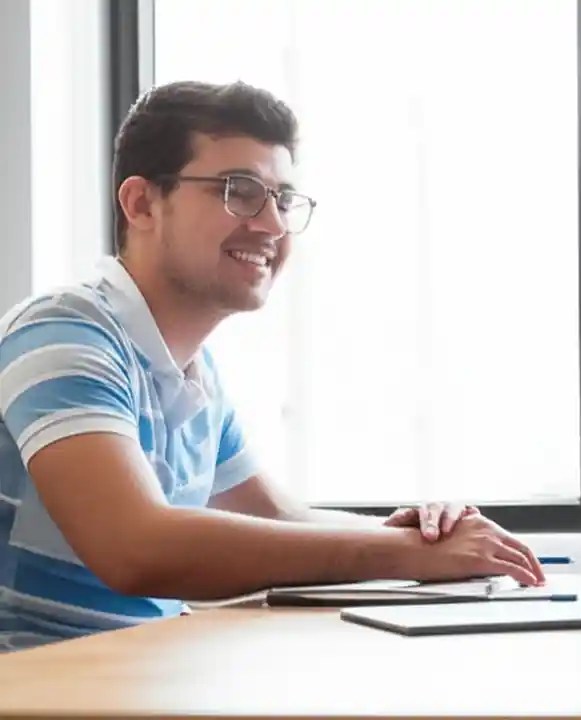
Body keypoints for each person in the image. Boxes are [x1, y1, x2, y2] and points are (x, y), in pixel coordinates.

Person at [0, 81, 543, 652]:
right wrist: (411, 555)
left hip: (122, 682)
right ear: (140, 204)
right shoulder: (62, 333)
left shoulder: (191, 372)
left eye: (282, 200)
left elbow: (277, 514)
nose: (273, 225)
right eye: (239, 191)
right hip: (31, 687)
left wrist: (430, 533)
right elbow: (136, 546)